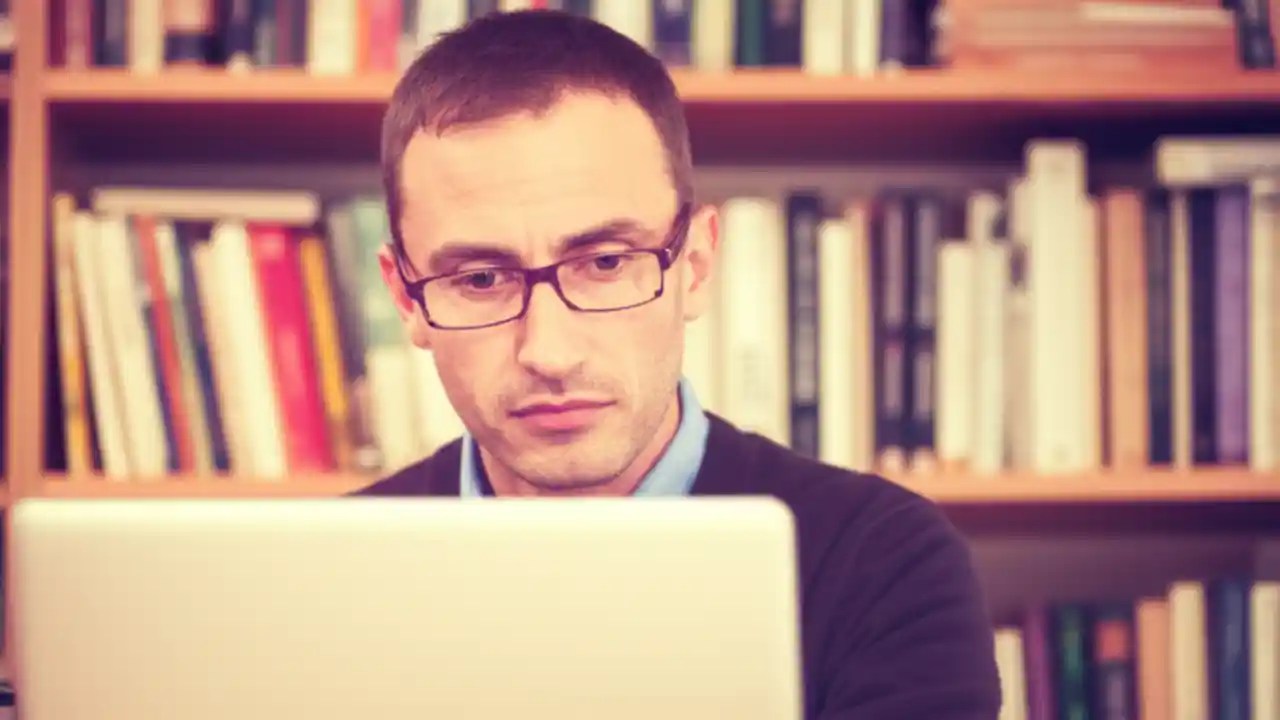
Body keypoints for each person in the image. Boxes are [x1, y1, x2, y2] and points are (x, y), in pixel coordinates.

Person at [354, 9, 1001, 719]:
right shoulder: (323, 579)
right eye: (480, 279)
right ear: (405, 299)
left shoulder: (882, 565)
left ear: (693, 265)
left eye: (605, 263)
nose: (548, 351)